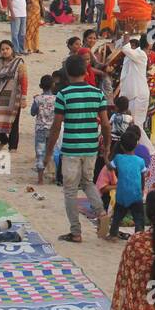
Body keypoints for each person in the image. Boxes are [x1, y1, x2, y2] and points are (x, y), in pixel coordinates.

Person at [43, 55, 109, 243]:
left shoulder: (63, 94)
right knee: (88, 182)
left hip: (71, 148)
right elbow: (105, 124)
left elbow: (56, 126)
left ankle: (76, 232)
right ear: (86, 72)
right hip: (91, 147)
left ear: (67, 73)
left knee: (70, 190)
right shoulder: (97, 93)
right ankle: (101, 213)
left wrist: (49, 152)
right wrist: (107, 148)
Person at [0, 39, 26, 151]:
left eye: (7, 49)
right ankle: (4, 140)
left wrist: (23, 98)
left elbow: (23, 81)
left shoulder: (19, 63)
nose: (5, 51)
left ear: (12, 49)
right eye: (2, 49)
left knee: (13, 122)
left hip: (13, 97)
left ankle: (13, 146)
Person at [107, 129, 148, 239]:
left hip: (122, 194)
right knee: (139, 218)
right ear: (136, 146)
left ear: (122, 146)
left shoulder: (118, 158)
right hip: (136, 194)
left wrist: (105, 156)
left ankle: (113, 235)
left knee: (117, 216)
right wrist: (142, 189)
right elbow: (143, 177)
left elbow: (110, 167)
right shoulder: (140, 161)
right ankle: (139, 237)